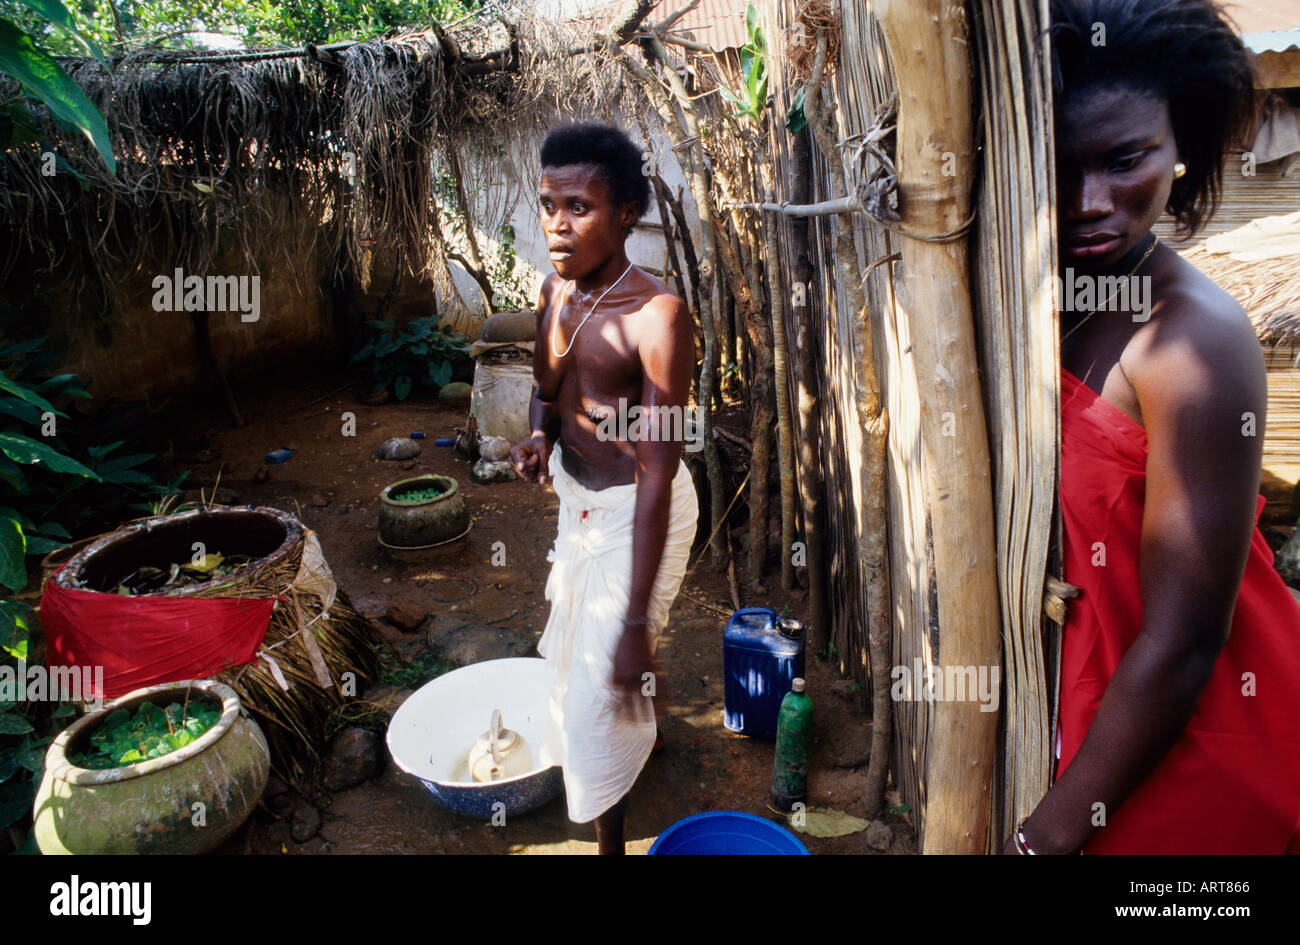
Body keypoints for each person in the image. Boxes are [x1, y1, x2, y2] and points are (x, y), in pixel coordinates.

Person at [1004, 0, 1300, 855]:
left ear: (1183, 148)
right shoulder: (1045, 302)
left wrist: (1042, 839)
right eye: (1061, 169)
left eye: (1125, 159)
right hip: (1087, 720)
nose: (1089, 202)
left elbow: (1184, 640)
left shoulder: (1190, 342)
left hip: (1187, 751)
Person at [510, 122, 699, 854]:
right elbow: (545, 386)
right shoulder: (554, 291)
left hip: (639, 512)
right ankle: (639, 727)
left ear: (624, 214)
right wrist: (540, 437)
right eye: (549, 203)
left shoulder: (658, 317)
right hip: (579, 505)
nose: (558, 223)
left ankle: (612, 845)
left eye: (579, 206)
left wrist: (633, 629)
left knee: (595, 700)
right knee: (573, 662)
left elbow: (657, 470)